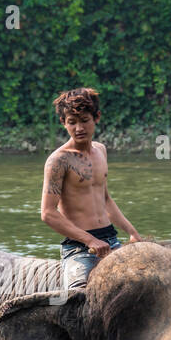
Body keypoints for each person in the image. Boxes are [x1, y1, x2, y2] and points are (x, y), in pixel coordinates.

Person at [39, 87, 144, 290]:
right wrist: (90, 240)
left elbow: (105, 200)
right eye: (72, 122)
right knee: (80, 298)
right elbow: (48, 213)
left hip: (111, 241)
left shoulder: (101, 151)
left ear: (96, 117)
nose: (79, 128)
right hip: (79, 248)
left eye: (84, 120)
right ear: (63, 123)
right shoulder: (59, 160)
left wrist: (132, 233)